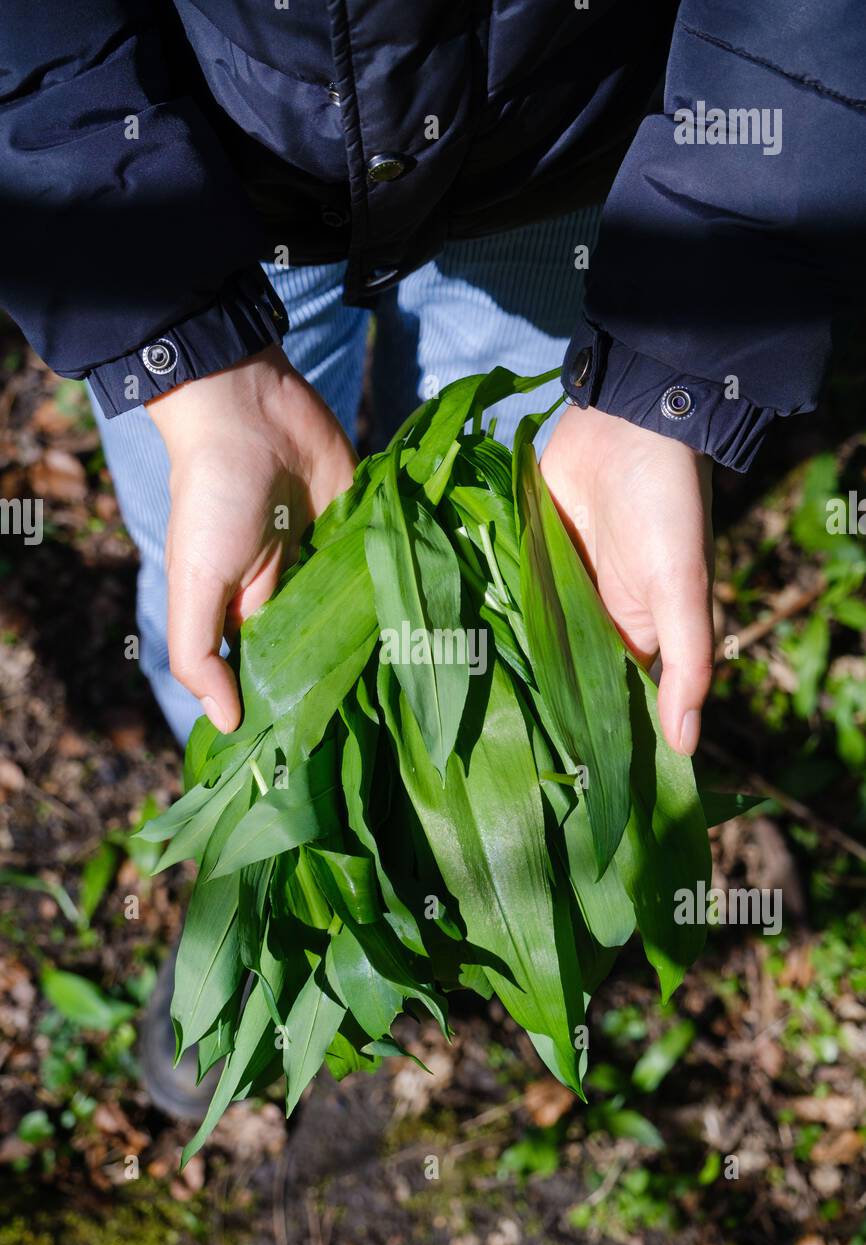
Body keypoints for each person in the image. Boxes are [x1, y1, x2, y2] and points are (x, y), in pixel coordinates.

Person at [3, 1, 863, 762]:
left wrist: (671, 377)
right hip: (196, 174)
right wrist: (181, 350)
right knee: (225, 579)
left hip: (557, 152)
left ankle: (456, 874)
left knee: (516, 570)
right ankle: (277, 859)